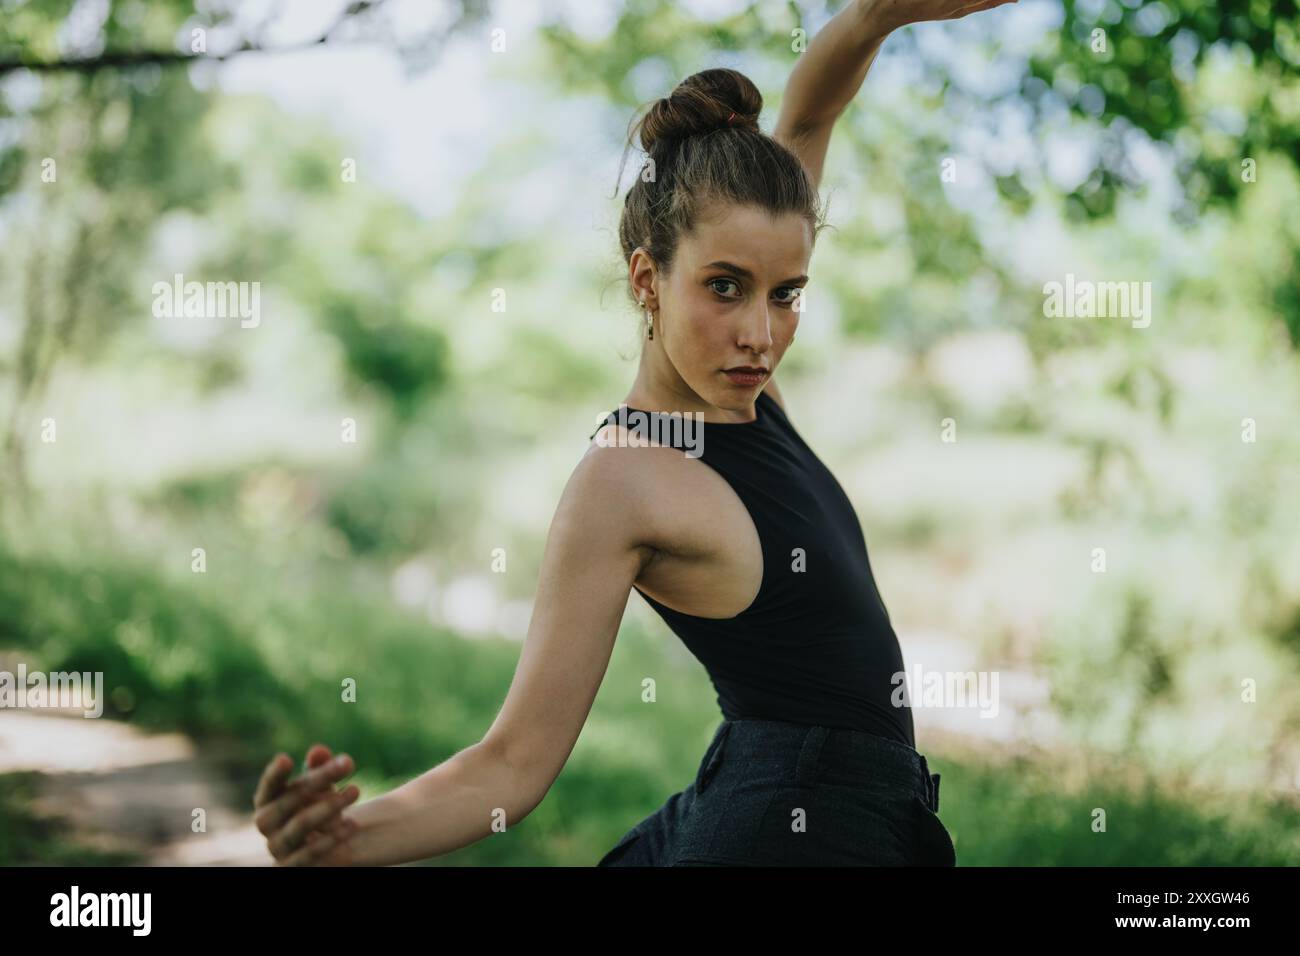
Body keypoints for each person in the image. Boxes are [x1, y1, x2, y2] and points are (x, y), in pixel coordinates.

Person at [252, 0, 1016, 867]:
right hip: (792, 827)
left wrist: (880, 15)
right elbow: (512, 762)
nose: (761, 333)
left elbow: (807, 112)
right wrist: (345, 838)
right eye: (724, 287)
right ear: (647, 279)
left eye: (787, 293)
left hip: (800, 800)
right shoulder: (620, 483)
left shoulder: (744, 390)